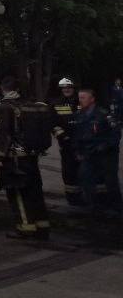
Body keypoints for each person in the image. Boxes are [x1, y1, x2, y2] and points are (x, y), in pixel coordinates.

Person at [0, 76, 52, 240]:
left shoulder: (6, 107)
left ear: (3, 89)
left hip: (15, 158)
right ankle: (42, 226)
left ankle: (26, 227)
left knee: (18, 194)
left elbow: (3, 134)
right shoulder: (29, 105)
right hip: (31, 156)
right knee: (34, 191)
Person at [71, 86, 122, 216]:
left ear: (92, 99)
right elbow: (77, 135)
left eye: (83, 98)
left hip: (106, 154)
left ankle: (116, 207)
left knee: (109, 181)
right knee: (86, 177)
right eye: (79, 98)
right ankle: (93, 205)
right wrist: (78, 151)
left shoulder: (104, 114)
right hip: (89, 153)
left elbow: (115, 133)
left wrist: (105, 146)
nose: (80, 100)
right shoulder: (79, 115)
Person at [51, 77, 80, 202]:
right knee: (69, 170)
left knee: (84, 168)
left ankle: (87, 195)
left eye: (69, 87)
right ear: (61, 89)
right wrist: (62, 136)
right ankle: (72, 196)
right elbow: (52, 123)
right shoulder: (56, 103)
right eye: (64, 88)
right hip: (66, 143)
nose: (67, 89)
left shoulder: (81, 101)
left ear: (73, 88)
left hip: (82, 141)